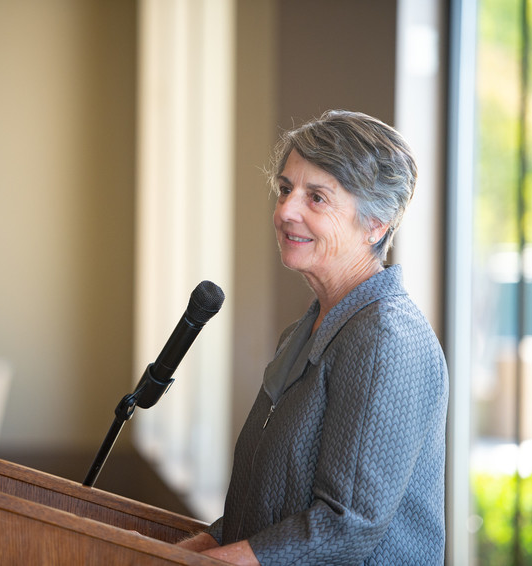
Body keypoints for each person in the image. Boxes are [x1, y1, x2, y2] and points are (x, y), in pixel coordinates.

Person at [178, 110, 449, 564]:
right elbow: (268, 501)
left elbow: (346, 524)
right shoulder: (303, 332)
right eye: (285, 189)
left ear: (376, 225)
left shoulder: (385, 339)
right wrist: (190, 550)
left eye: (317, 197)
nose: (286, 210)